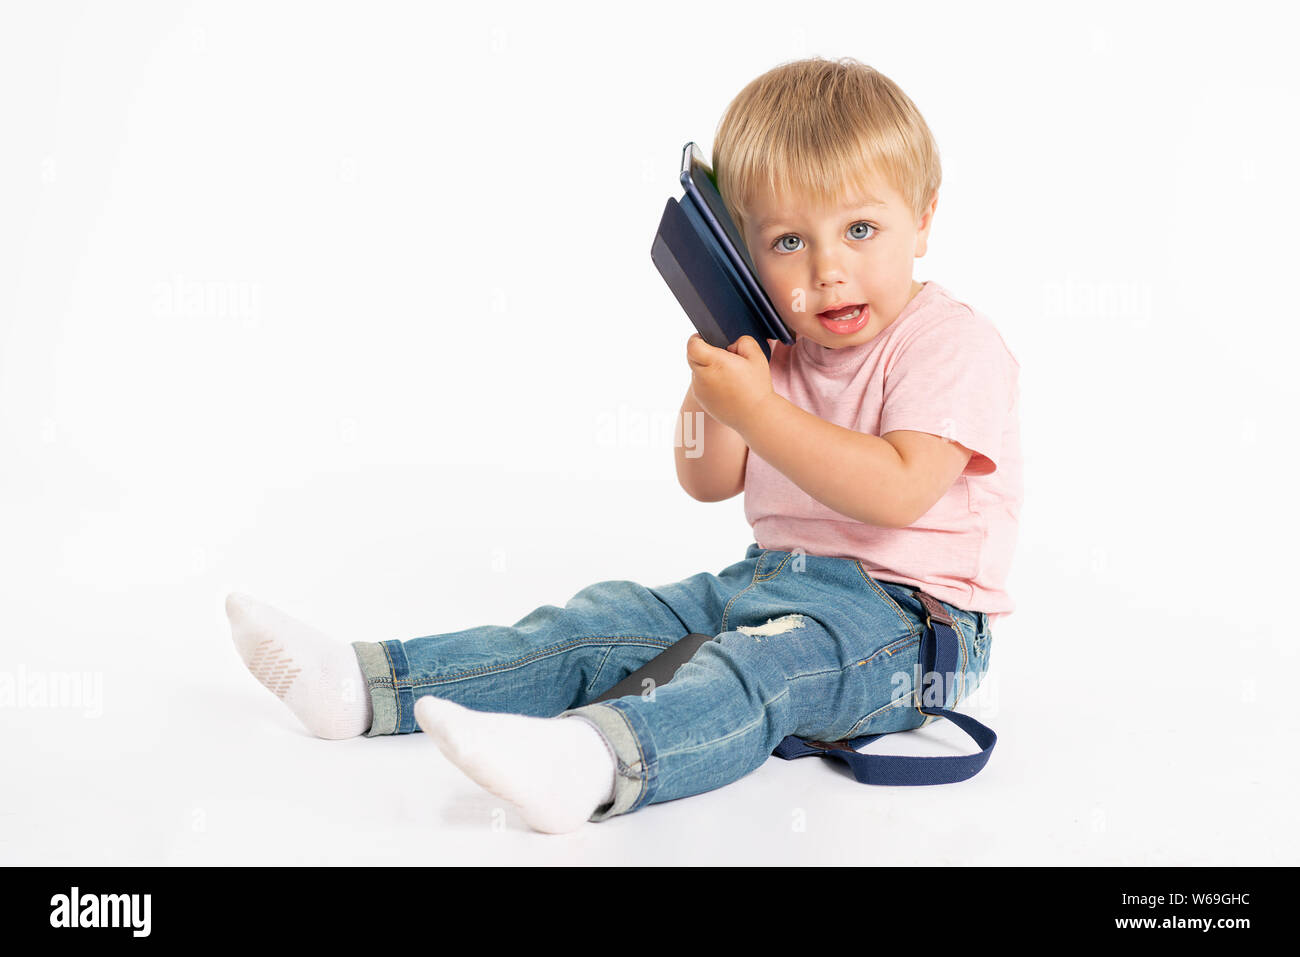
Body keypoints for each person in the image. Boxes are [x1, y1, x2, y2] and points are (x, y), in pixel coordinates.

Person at [225, 56, 1022, 834]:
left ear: (922, 219)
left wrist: (759, 409)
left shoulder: (948, 344)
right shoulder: (773, 352)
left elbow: (897, 490)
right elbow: (704, 479)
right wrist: (719, 376)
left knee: (759, 669)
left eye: (860, 229)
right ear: (743, 252)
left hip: (909, 627)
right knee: (604, 620)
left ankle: (589, 762)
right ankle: (364, 686)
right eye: (786, 243)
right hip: (770, 580)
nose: (827, 270)